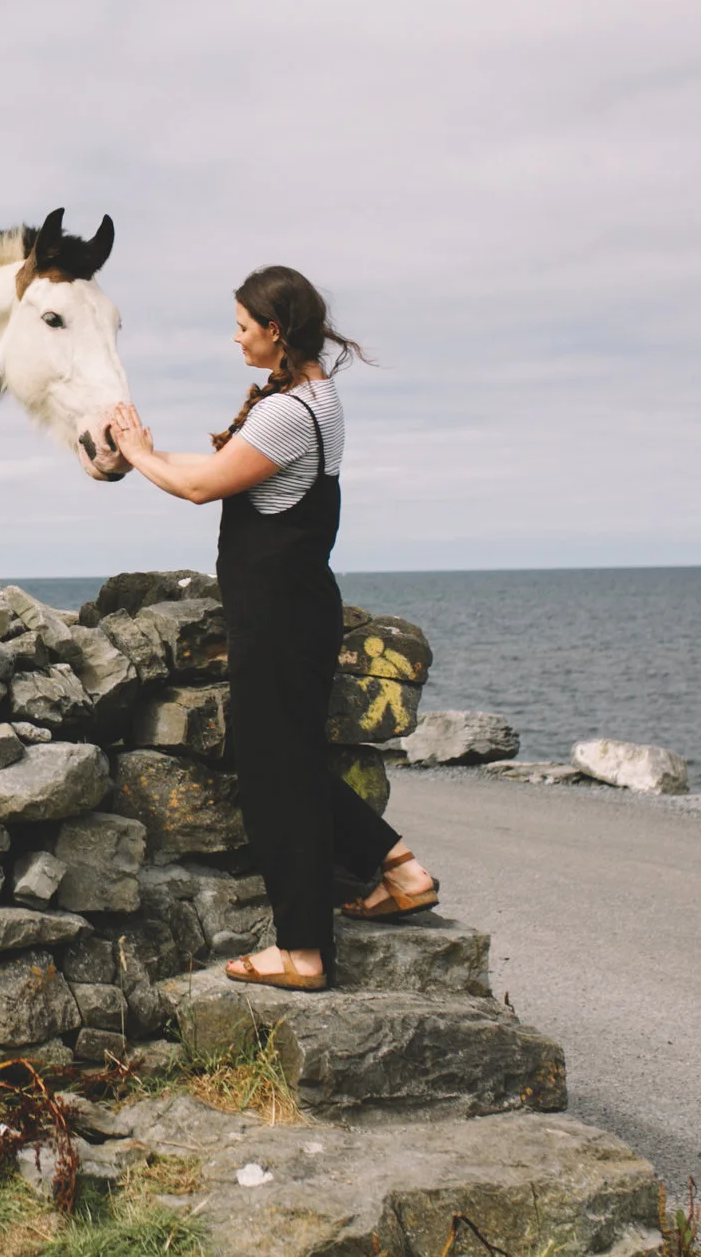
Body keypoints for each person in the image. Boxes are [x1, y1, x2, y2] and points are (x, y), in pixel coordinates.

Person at [104, 265, 437, 991]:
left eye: (243, 325)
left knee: (272, 778)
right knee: (286, 762)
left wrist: (136, 453)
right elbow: (225, 467)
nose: (235, 336)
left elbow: (199, 486)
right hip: (294, 608)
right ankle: (399, 867)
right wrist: (144, 458)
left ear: (275, 330)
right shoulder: (314, 396)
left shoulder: (288, 411)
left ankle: (304, 951)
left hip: (281, 618)